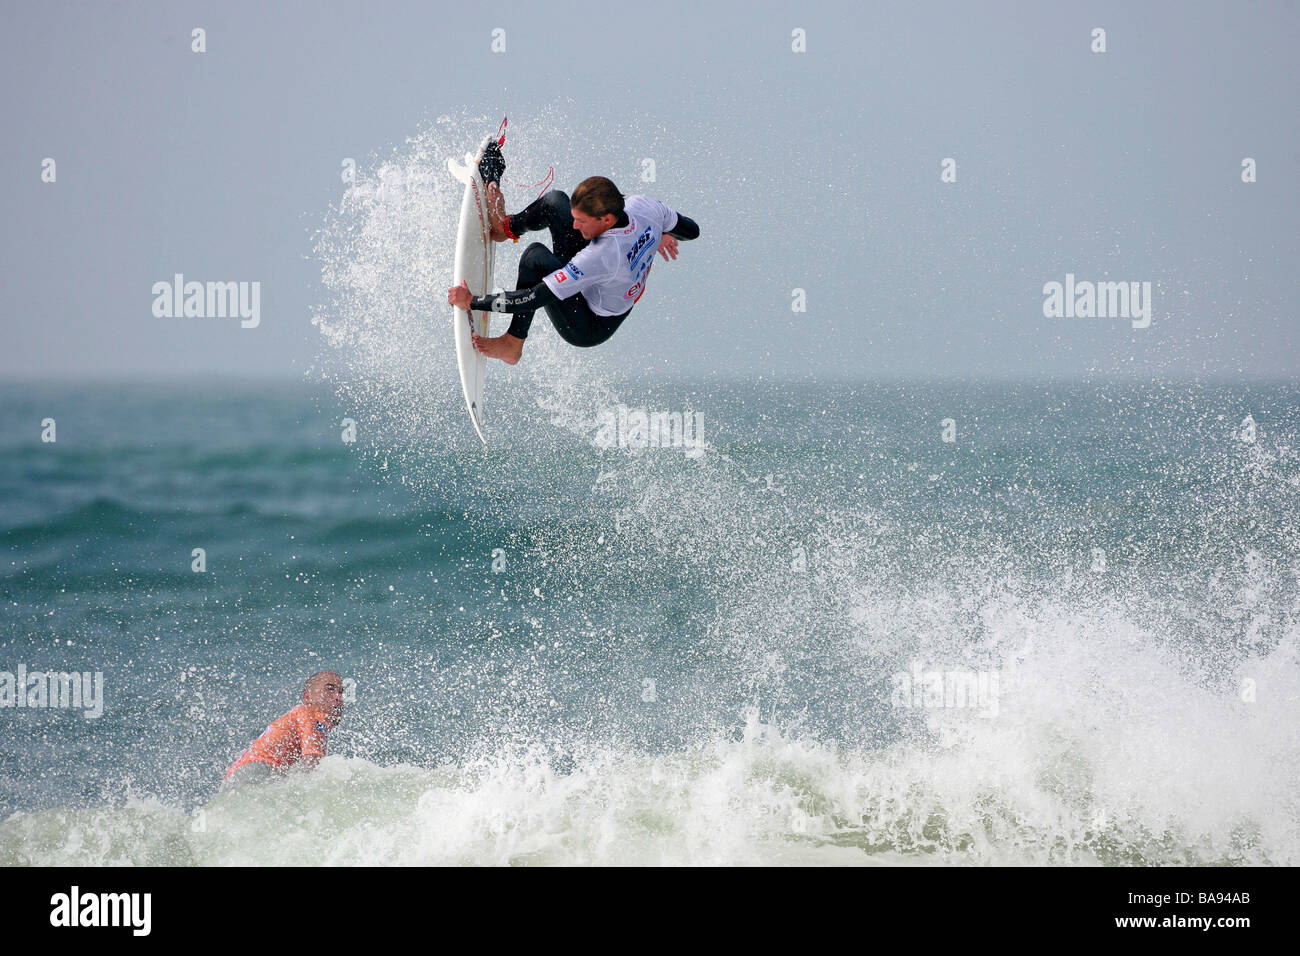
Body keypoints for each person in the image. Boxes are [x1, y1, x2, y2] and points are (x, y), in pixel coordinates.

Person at [446, 148, 700, 366]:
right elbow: (692, 230)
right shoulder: (644, 206)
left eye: (582, 221)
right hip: (609, 278)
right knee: (556, 202)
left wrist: (472, 301)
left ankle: (513, 344)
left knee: (535, 257)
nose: (575, 227)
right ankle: (504, 228)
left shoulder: (601, 256)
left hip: (590, 324)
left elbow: (536, 296)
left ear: (607, 219)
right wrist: (656, 232)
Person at [222, 671, 345, 786]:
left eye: (341, 692)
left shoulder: (298, 717)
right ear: (307, 697)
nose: (338, 697)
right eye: (329, 689)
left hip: (238, 776)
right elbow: (311, 766)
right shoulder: (309, 715)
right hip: (255, 772)